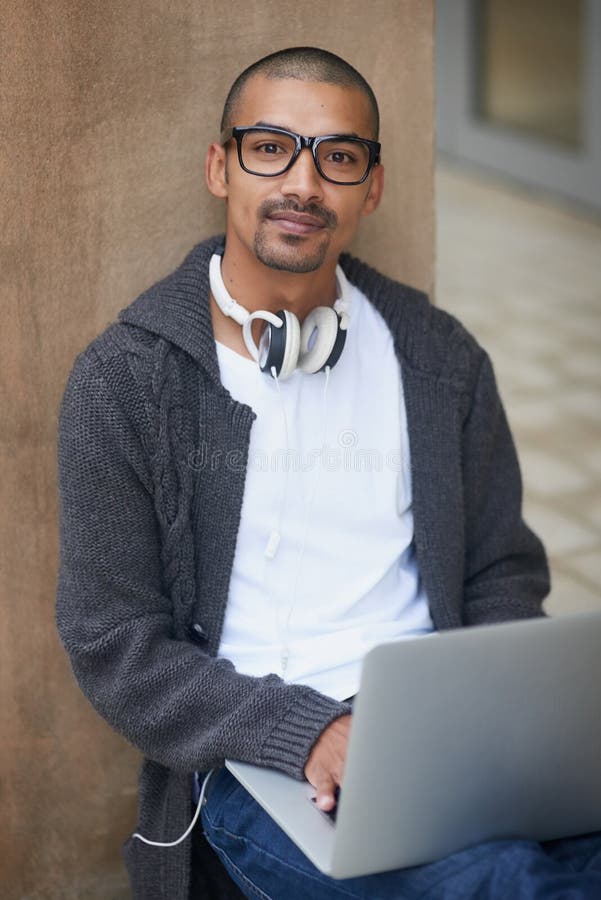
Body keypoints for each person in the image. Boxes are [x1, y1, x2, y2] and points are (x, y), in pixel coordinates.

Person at [55, 47, 601, 900]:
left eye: (337, 157)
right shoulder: (125, 382)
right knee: (506, 882)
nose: (303, 183)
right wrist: (307, 731)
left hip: (440, 737)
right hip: (254, 761)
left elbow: (501, 569)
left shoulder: (438, 357)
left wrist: (495, 718)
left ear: (370, 187)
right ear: (219, 166)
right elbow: (113, 645)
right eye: (270, 146)